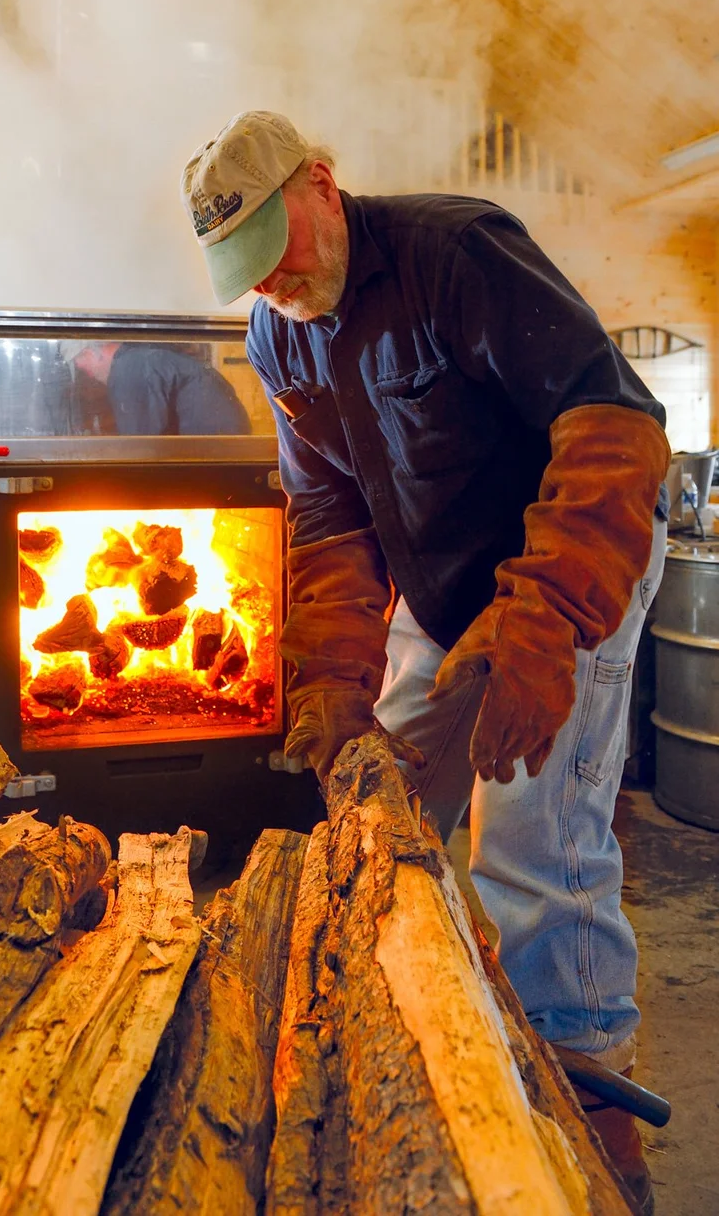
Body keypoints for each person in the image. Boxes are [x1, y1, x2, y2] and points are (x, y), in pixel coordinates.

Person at [181, 110, 670, 1213]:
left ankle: (591, 1098)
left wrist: (542, 622)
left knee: (538, 832)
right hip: (449, 597)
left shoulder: (454, 252)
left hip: (567, 567)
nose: (271, 285)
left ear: (321, 180)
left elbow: (611, 430)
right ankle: (403, 1019)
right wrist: (333, 673)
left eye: (278, 250)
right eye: (244, 274)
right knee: (383, 795)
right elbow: (328, 514)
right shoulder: (280, 334)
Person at [71, 341, 251, 436]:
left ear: (91, 353)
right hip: (223, 449)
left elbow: (142, 447)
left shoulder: (129, 368)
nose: (90, 376)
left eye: (86, 370)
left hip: (213, 458)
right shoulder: (142, 358)